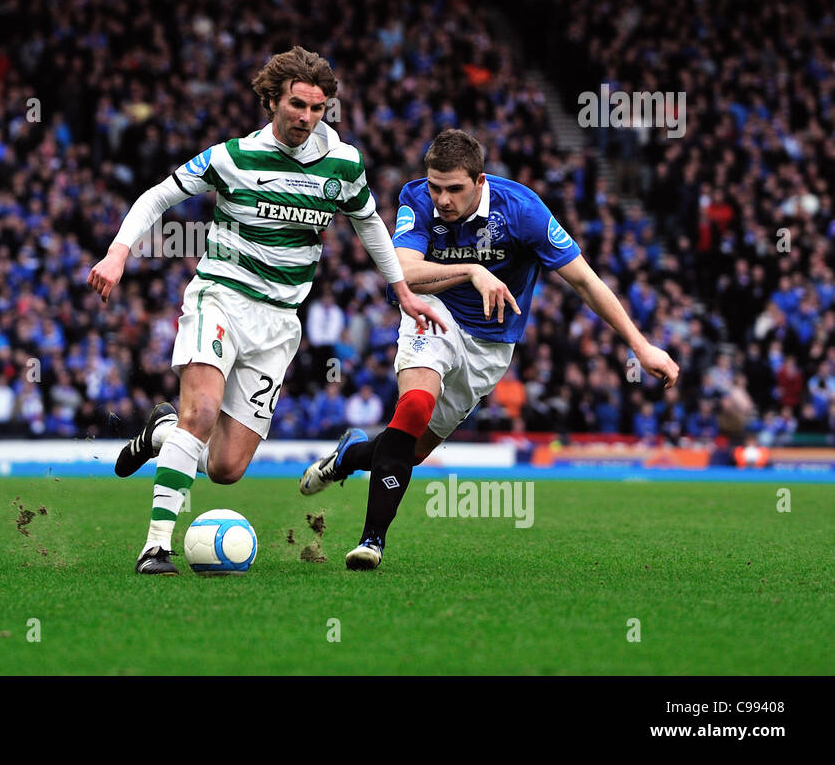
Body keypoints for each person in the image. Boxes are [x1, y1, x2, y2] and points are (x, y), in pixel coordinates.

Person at [87, 46, 446, 575]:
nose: (306, 117)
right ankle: (156, 545)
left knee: (226, 468)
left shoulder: (343, 164)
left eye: (317, 108)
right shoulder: (232, 157)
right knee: (202, 414)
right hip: (221, 297)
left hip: (280, 323)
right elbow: (157, 197)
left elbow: (368, 223)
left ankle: (163, 431)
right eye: (297, 105)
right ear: (271, 100)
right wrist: (119, 253)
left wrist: (404, 290)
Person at [301, 128, 679, 569]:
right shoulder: (416, 198)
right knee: (415, 405)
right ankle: (372, 542)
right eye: (435, 187)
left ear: (480, 182)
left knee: (412, 450)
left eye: (454, 189)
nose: (442, 199)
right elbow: (401, 269)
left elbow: (584, 281)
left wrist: (641, 345)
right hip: (434, 311)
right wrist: (472, 271)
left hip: (491, 344)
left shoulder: (522, 210)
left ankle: (350, 455)